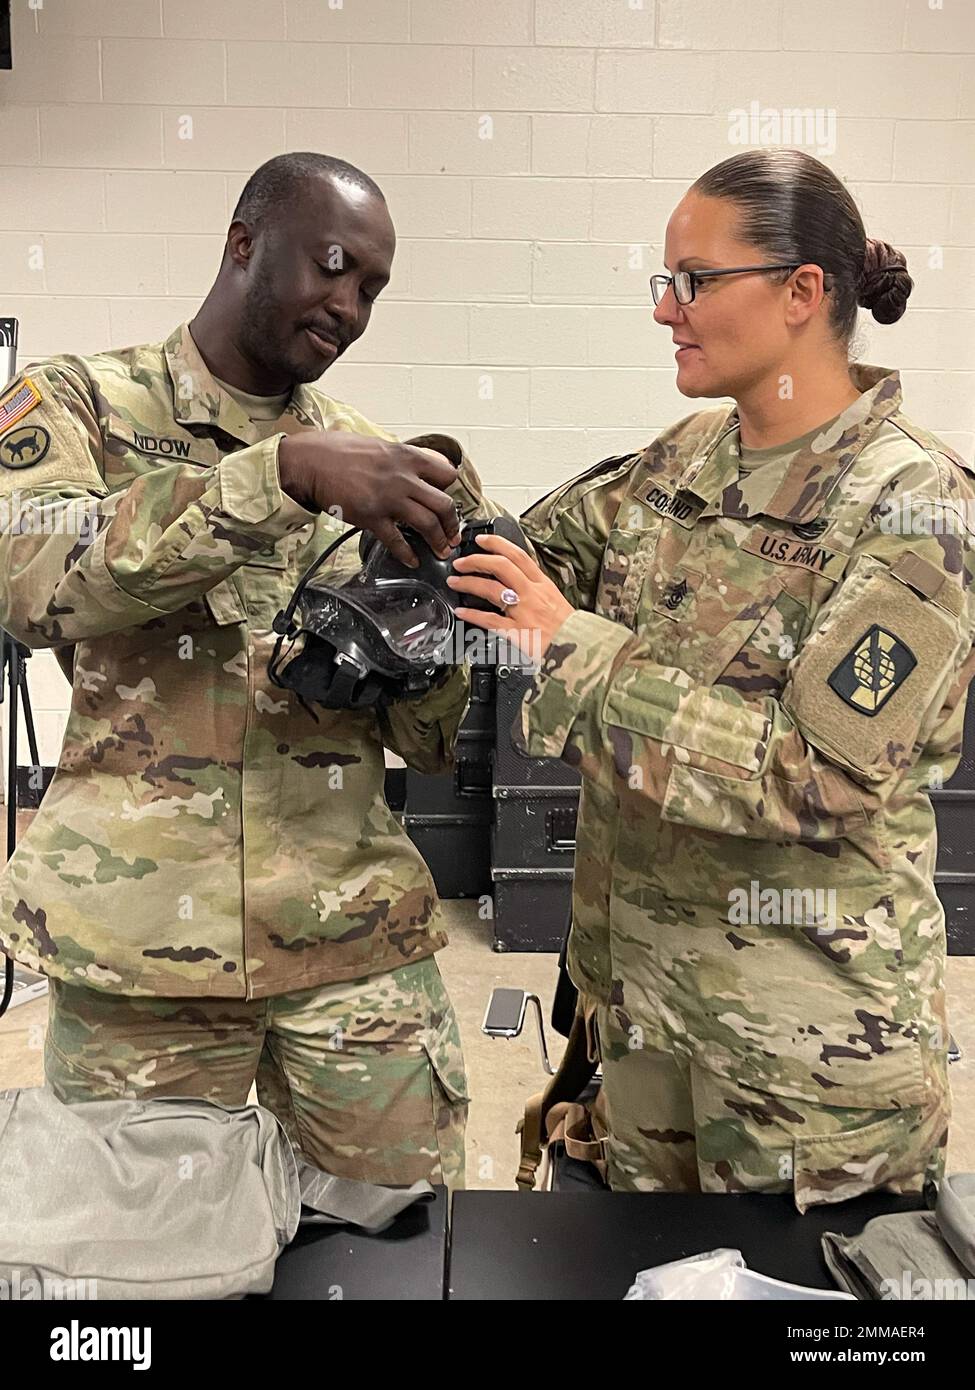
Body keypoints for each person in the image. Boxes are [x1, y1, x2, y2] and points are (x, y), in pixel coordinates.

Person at [450, 148, 975, 1210]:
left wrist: (570, 645)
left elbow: (813, 775)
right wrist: (388, 481)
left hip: (806, 1085)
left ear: (801, 292)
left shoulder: (916, 508)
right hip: (643, 1037)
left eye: (693, 281)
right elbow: (516, 550)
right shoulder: (682, 464)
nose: (666, 310)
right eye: (665, 282)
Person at [0, 151, 496, 1189]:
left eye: (373, 288)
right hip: (146, 964)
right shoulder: (81, 400)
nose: (352, 306)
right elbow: (32, 580)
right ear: (242, 244)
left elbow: (428, 740)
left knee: (397, 1243)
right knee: (141, 1262)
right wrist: (277, 477)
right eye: (333, 267)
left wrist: (437, 616)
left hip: (352, 950)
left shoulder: (370, 453)